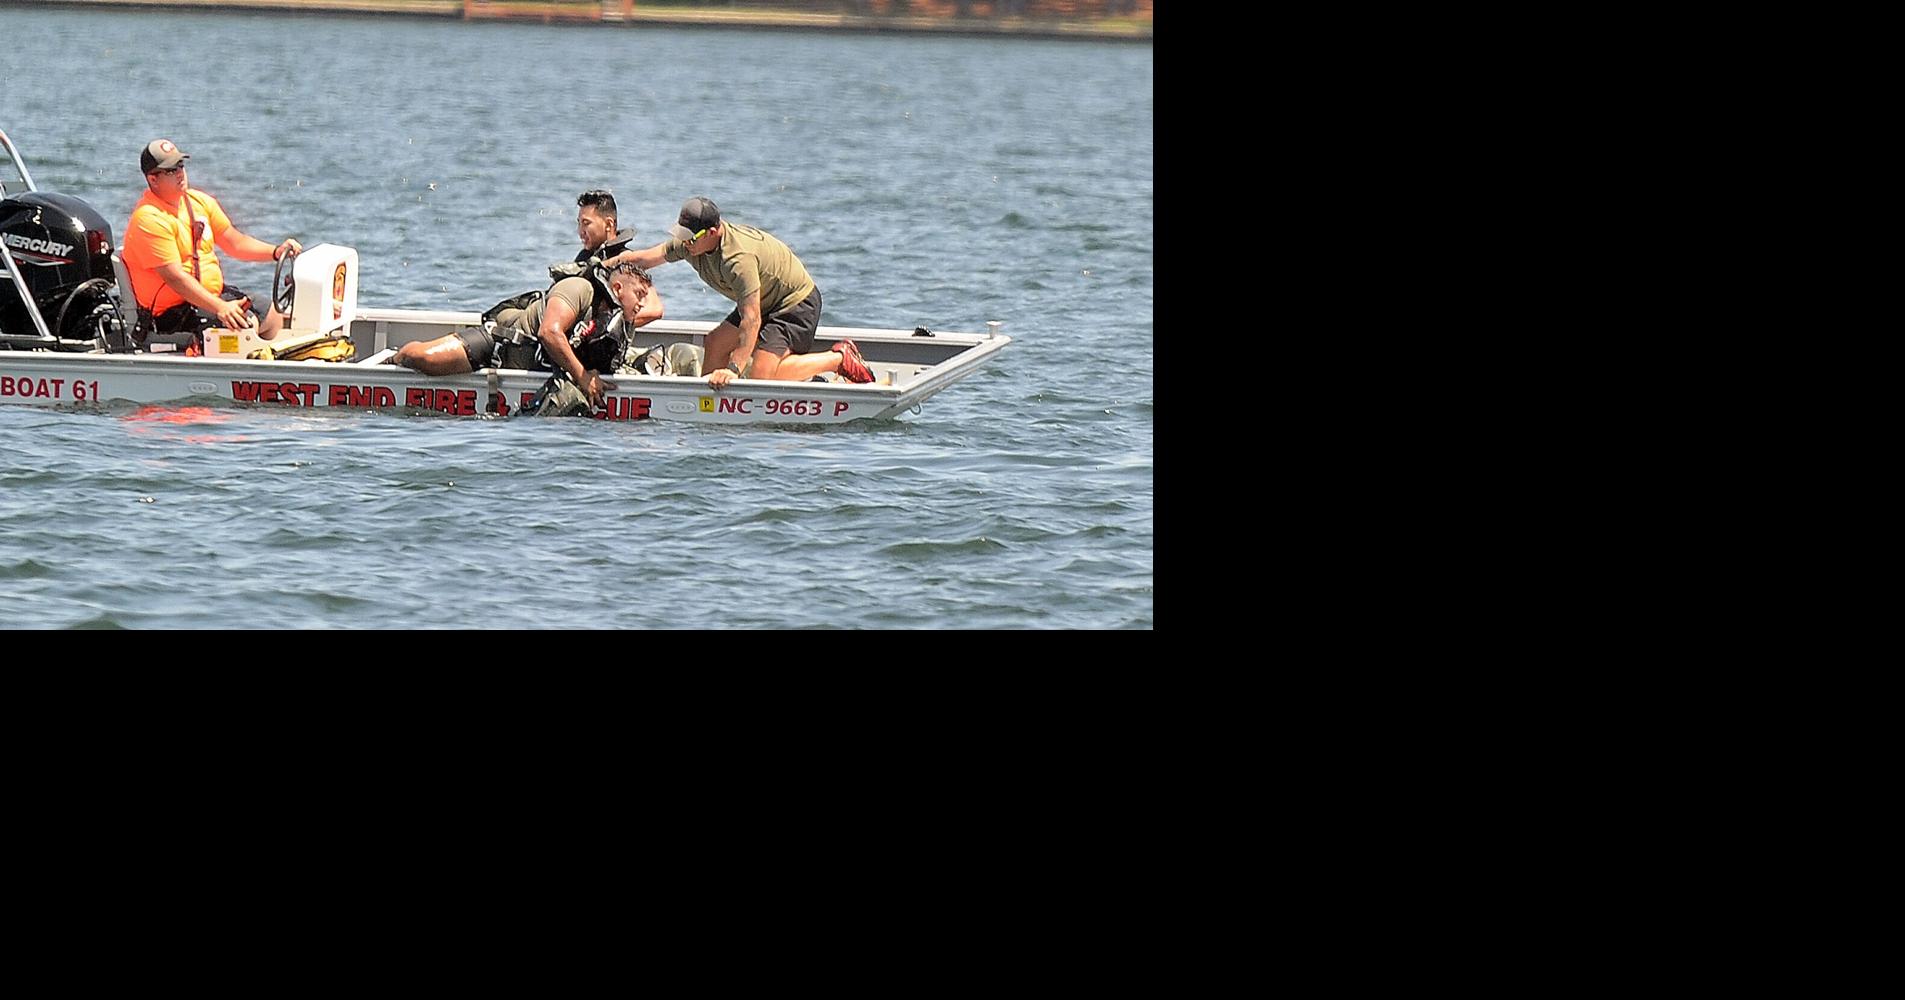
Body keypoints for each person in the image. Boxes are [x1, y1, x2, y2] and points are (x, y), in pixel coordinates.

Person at [601, 196, 875, 389]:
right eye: (681, 234)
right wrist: (606, 264)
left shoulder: (737, 259)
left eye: (690, 237)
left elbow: (752, 319)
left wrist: (733, 370)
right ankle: (707, 403)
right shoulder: (690, 244)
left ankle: (839, 359)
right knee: (715, 343)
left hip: (793, 303)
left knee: (761, 378)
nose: (684, 242)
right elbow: (648, 257)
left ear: (712, 232)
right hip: (764, 299)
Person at [391, 261, 662, 410]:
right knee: (422, 358)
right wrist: (583, 377)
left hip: (540, 369)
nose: (642, 304)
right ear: (618, 288)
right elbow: (549, 333)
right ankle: (394, 358)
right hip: (500, 347)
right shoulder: (579, 289)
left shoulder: (619, 321)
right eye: (639, 295)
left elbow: (656, 311)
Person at [120, 139, 302, 345]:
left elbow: (235, 242)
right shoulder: (148, 219)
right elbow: (175, 278)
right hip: (170, 315)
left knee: (271, 315)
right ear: (153, 179)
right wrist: (221, 308)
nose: (180, 173)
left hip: (209, 298)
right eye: (170, 170)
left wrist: (276, 252)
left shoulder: (199, 202)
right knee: (244, 326)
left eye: (180, 165)